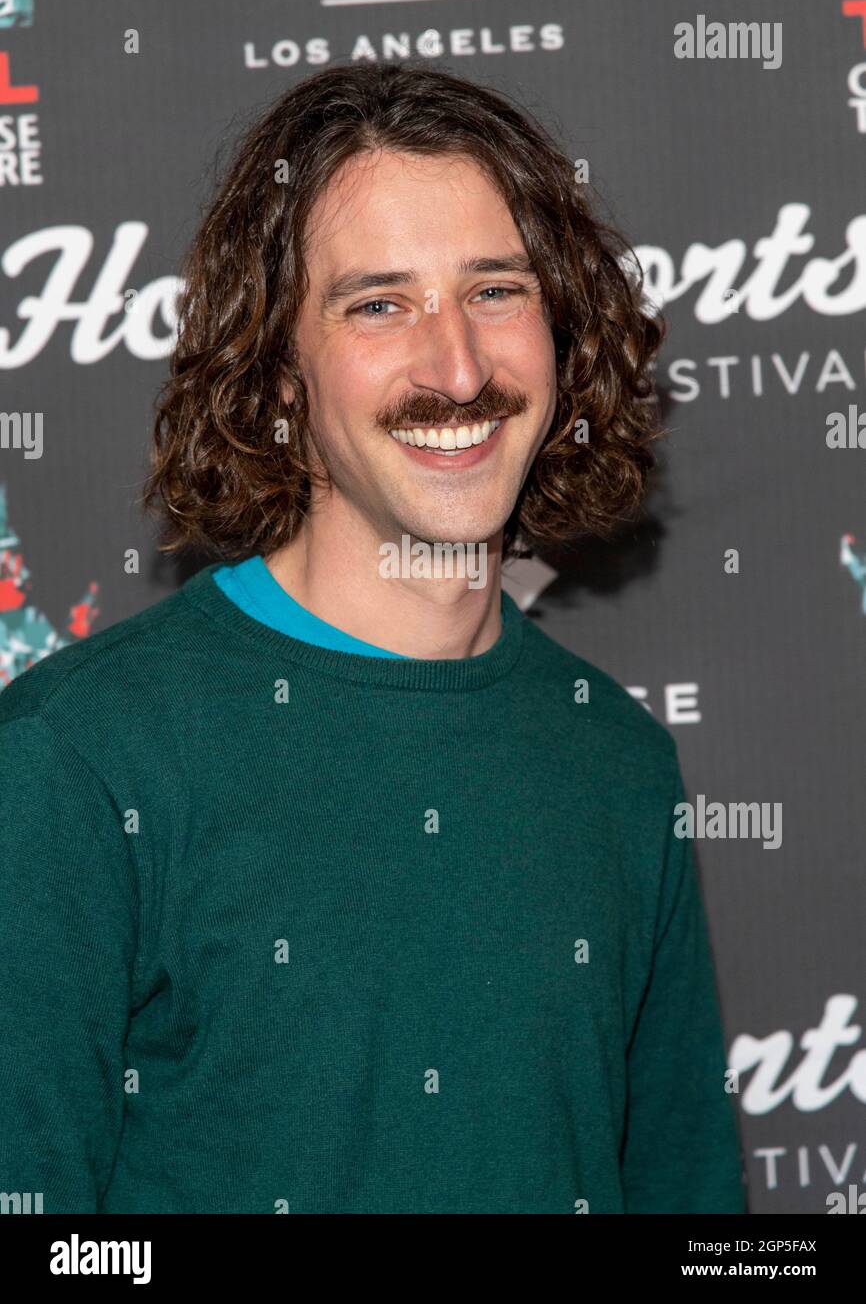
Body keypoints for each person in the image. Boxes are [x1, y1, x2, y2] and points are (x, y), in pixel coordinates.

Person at [0, 61, 747, 1214]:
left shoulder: (616, 758)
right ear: (278, 374)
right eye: (378, 304)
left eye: (495, 291)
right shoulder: (76, 762)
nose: (455, 369)